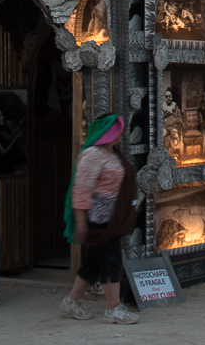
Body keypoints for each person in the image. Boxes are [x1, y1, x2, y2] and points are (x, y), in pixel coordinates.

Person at [61, 115, 139, 325]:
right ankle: (114, 308)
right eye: (116, 129)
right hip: (98, 221)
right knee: (111, 262)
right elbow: (81, 190)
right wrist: (81, 222)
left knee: (94, 265)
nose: (120, 134)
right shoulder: (92, 155)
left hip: (112, 219)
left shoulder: (113, 154)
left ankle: (70, 302)